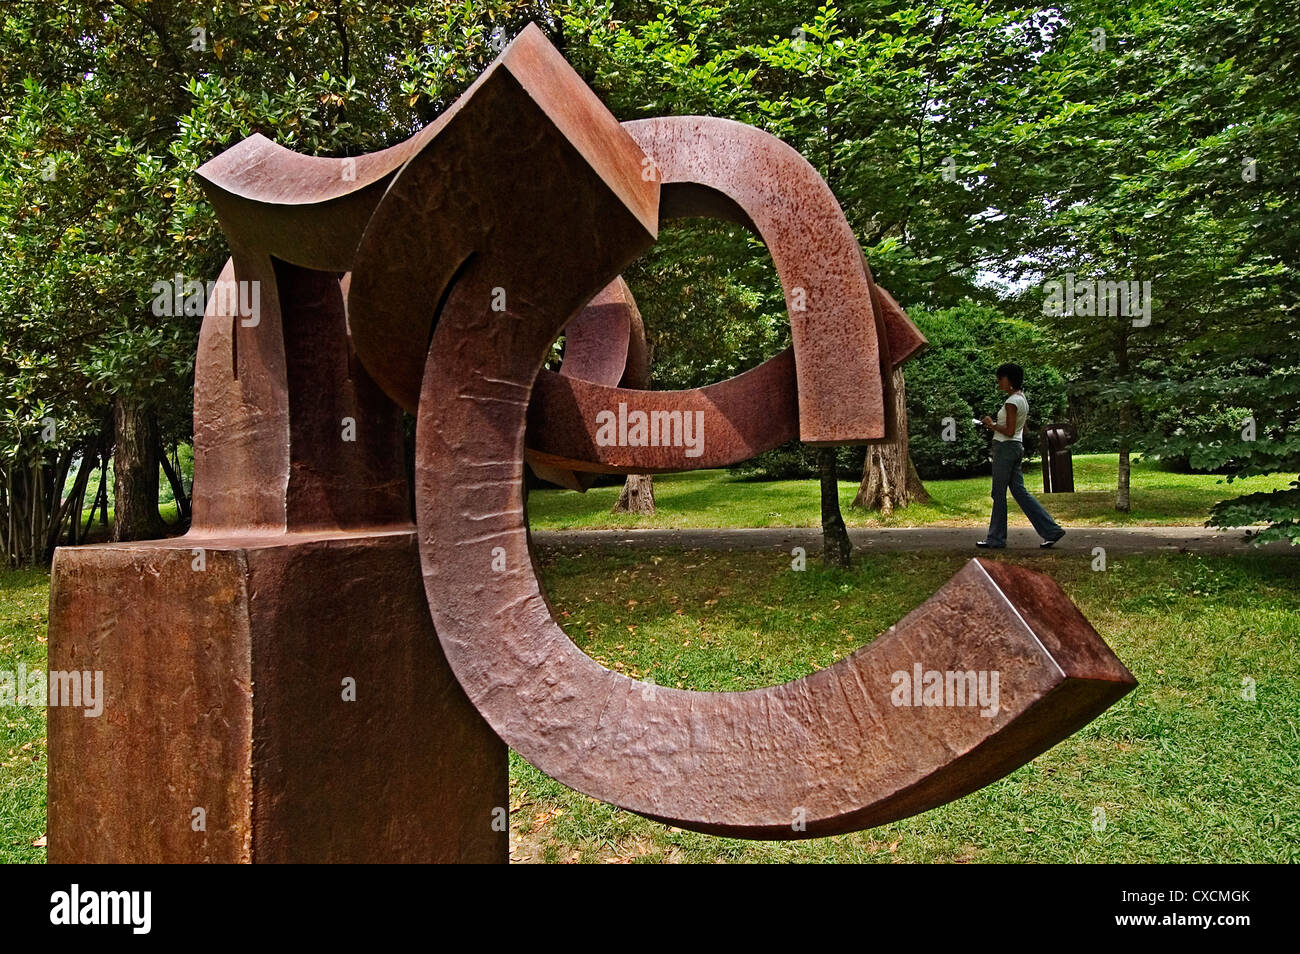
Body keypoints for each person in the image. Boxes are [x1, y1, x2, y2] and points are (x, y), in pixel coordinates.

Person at [976, 362, 1066, 549]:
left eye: (1000, 378)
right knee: (1019, 492)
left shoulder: (1011, 402)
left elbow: (1008, 430)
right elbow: (1021, 429)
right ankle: (1051, 530)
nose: (998, 382)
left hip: (1005, 448)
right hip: (1016, 447)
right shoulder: (1021, 399)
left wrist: (991, 424)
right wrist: (997, 426)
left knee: (998, 493)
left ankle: (996, 538)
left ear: (1009, 379)